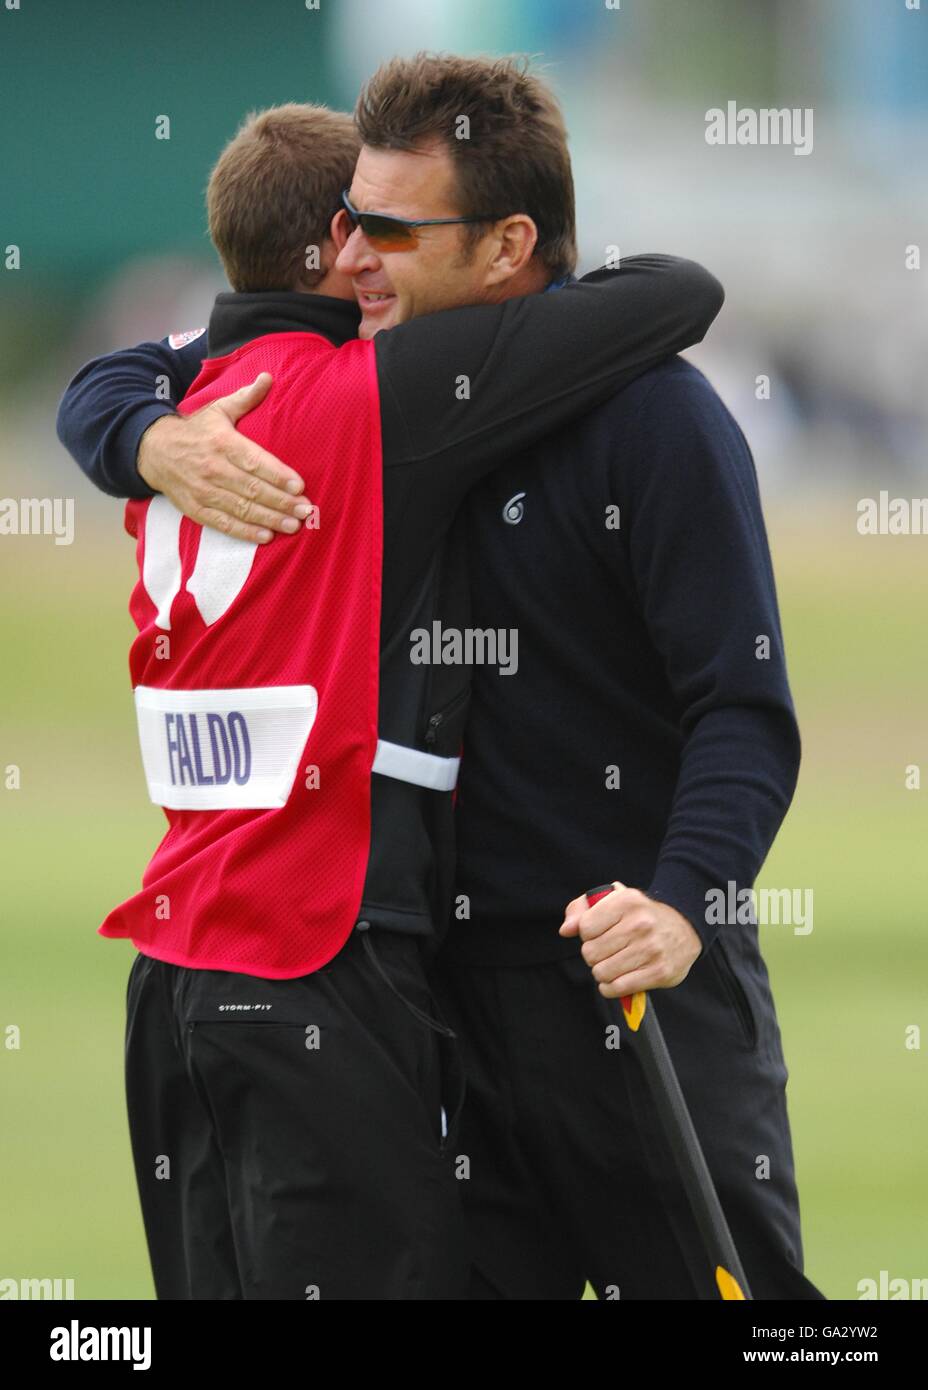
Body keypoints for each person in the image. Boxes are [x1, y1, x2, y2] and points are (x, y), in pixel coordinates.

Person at [57, 75, 723, 1301]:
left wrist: (133, 435)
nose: (383, 262)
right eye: (370, 231)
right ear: (340, 249)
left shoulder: (183, 407)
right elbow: (676, 294)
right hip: (319, 966)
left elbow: (109, 377)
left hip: (174, 981)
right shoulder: (371, 401)